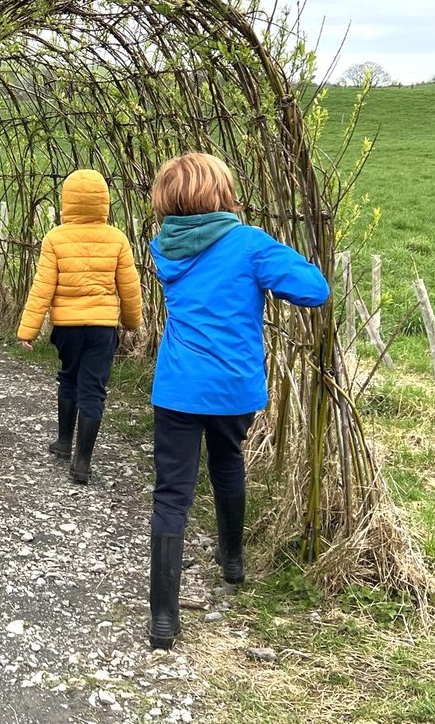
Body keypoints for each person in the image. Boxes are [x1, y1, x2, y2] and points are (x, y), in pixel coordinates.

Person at [143, 152, 329, 650]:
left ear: (169, 200)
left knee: (172, 492)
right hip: (232, 387)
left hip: (179, 385)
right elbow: (315, 290)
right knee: (228, 462)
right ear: (221, 192)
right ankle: (233, 561)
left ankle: (163, 620)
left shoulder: (163, 246)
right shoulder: (248, 245)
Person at [15, 168, 143, 486]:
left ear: (67, 202)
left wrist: (28, 330)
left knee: (69, 378)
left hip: (67, 328)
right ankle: (83, 461)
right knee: (94, 390)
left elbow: (42, 287)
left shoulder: (56, 238)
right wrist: (131, 321)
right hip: (102, 329)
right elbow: (129, 287)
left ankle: (62, 442)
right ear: (104, 202)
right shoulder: (117, 239)